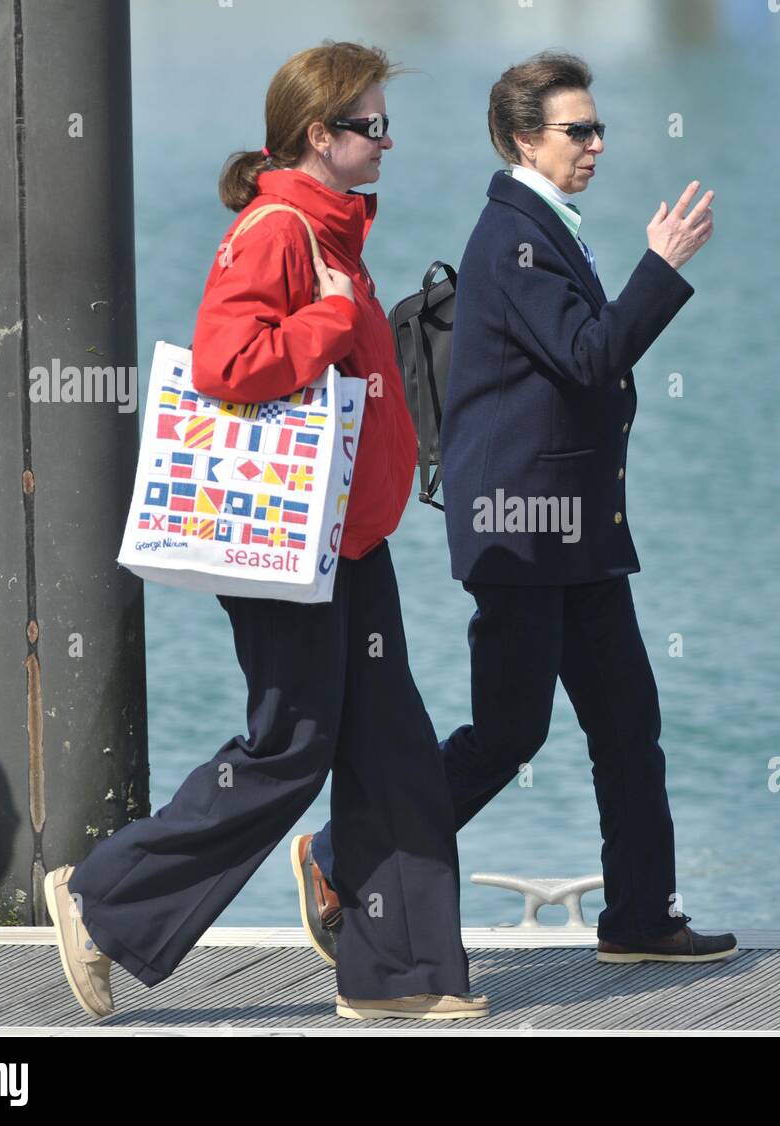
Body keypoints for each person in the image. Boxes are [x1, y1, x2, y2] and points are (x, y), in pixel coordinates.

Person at [43, 41, 488, 1022]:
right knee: (290, 744)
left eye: (384, 121)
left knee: (394, 748)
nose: (386, 139)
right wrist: (331, 322)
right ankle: (100, 900)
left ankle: (398, 972)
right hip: (286, 545)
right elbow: (225, 361)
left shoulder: (336, 234)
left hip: (349, 544)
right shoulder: (278, 229)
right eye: (369, 124)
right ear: (317, 136)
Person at [301, 51, 736, 966]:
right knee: (508, 733)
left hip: (573, 531)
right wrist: (658, 269)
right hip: (523, 533)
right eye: (578, 130)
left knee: (627, 720)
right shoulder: (516, 237)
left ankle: (640, 916)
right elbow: (590, 354)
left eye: (597, 127)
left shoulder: (547, 225)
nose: (596, 144)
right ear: (520, 140)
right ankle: (341, 857)